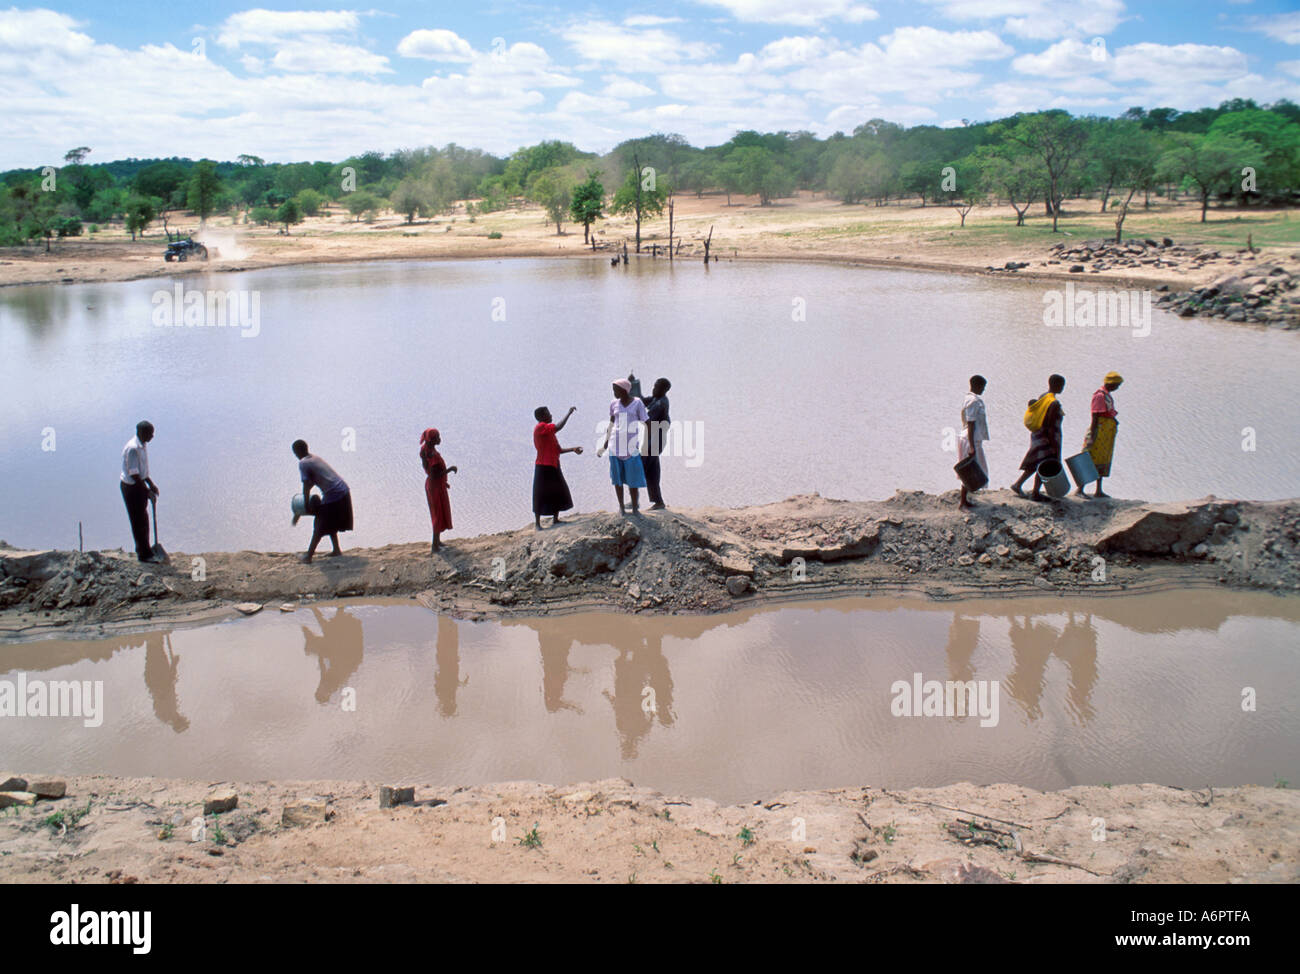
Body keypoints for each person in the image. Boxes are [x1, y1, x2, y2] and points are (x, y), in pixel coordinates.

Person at [292, 440, 353, 563]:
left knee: (319, 524)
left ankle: (308, 557)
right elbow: (312, 481)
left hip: (334, 494)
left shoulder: (303, 463)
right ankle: (336, 550)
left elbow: (306, 484)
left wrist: (305, 505)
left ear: (296, 452)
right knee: (330, 521)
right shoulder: (314, 458)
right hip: (343, 490)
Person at [597, 378, 649, 515]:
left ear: (624, 390)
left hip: (631, 447)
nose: (613, 392)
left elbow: (647, 423)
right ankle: (621, 507)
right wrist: (606, 442)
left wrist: (646, 444)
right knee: (617, 479)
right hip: (615, 445)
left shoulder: (637, 403)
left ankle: (635, 509)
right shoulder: (614, 403)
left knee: (633, 480)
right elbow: (611, 424)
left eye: (616, 389)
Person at [1011, 373, 1066, 502]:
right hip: (1048, 438)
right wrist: (1054, 445)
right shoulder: (1054, 403)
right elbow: (1051, 426)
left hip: (1038, 435)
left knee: (1037, 463)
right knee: (1045, 466)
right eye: (1062, 385)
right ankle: (1032, 490)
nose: (1063, 388)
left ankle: (1022, 486)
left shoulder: (1043, 397)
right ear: (1057, 385)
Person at [533, 406, 583, 529]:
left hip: (554, 464)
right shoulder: (540, 428)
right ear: (542, 417)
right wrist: (568, 413)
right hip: (543, 466)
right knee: (540, 493)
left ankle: (555, 519)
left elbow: (558, 450)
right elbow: (558, 427)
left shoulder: (549, 433)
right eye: (548, 414)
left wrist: (573, 449)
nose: (551, 415)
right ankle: (538, 524)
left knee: (558, 491)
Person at [1079, 371, 1122, 499]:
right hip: (1099, 431)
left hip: (1106, 434)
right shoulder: (1099, 396)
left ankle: (1099, 490)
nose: (1117, 388)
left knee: (1103, 459)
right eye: (1116, 385)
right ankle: (1080, 489)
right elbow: (1095, 416)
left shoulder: (1107, 395)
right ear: (1111, 384)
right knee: (1090, 457)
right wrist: (1092, 436)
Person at [120, 420, 160, 562]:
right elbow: (134, 474)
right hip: (132, 488)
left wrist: (151, 485)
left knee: (144, 519)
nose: (152, 436)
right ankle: (144, 555)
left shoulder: (143, 445)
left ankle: (145, 550)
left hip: (139, 485)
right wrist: (147, 491)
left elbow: (143, 472)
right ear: (142, 433)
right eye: (150, 433)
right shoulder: (133, 448)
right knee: (138, 522)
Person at [420, 428, 457, 552]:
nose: (440, 439)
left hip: (435, 485)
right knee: (437, 515)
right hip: (435, 486)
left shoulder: (426, 449)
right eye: (437, 437)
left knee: (439, 513)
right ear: (432, 440)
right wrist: (450, 469)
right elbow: (435, 474)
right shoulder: (431, 454)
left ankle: (438, 542)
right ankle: (434, 546)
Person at [640, 377, 672, 510]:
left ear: (664, 390)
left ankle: (633, 499)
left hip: (655, 441)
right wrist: (635, 385)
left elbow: (646, 419)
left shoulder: (661, 404)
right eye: (654, 386)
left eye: (656, 387)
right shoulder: (655, 399)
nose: (653, 389)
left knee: (641, 467)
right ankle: (658, 502)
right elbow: (642, 401)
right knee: (651, 471)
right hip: (651, 439)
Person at [958, 375, 988, 510]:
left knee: (972, 470)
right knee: (969, 471)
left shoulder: (970, 398)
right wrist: (971, 446)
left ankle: (965, 500)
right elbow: (971, 424)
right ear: (977, 386)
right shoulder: (973, 401)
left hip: (972, 439)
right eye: (983, 387)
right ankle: (963, 502)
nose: (984, 389)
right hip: (971, 440)